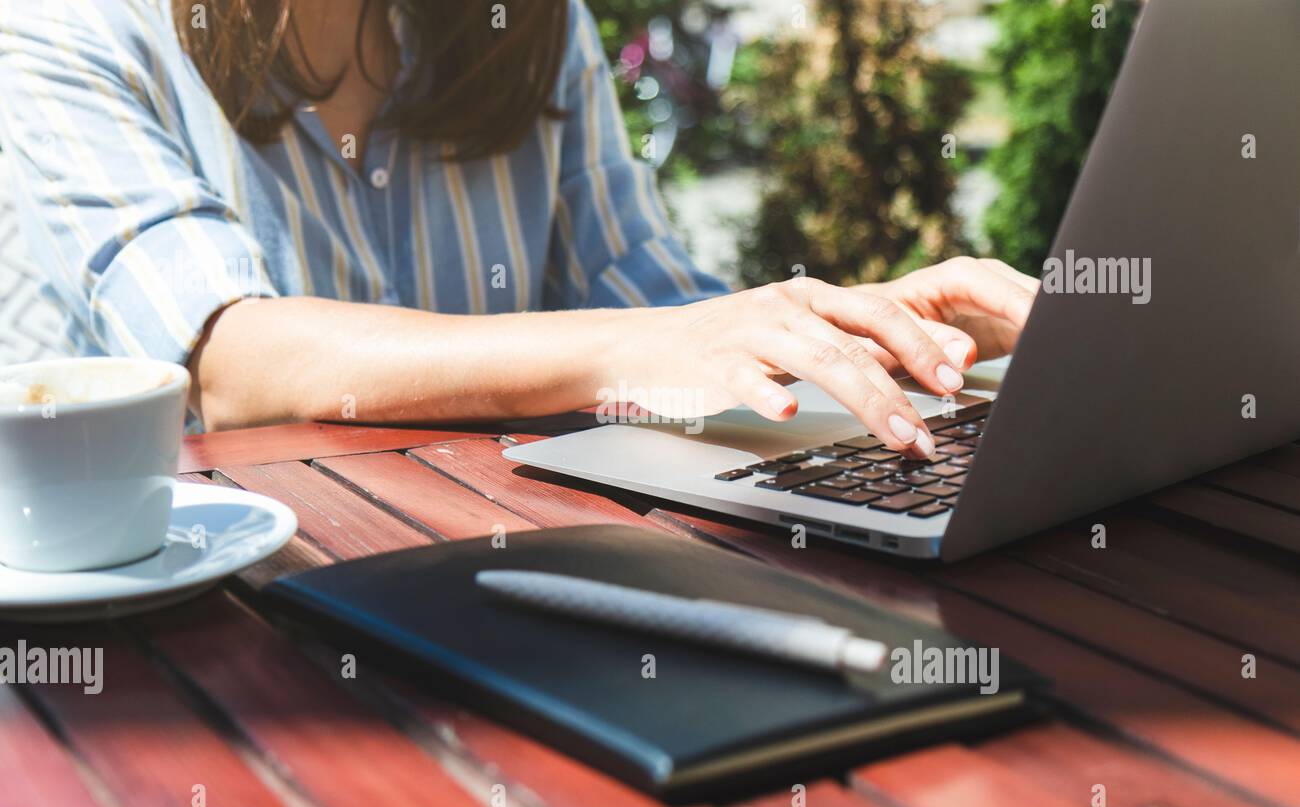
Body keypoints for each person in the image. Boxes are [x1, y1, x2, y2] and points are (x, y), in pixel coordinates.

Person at [0, 0, 1038, 457]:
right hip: (204, 654)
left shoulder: (527, 26)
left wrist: (849, 333)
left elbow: (650, 299)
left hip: (488, 595)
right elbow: (224, 360)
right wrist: (645, 344)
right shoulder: (68, 27)